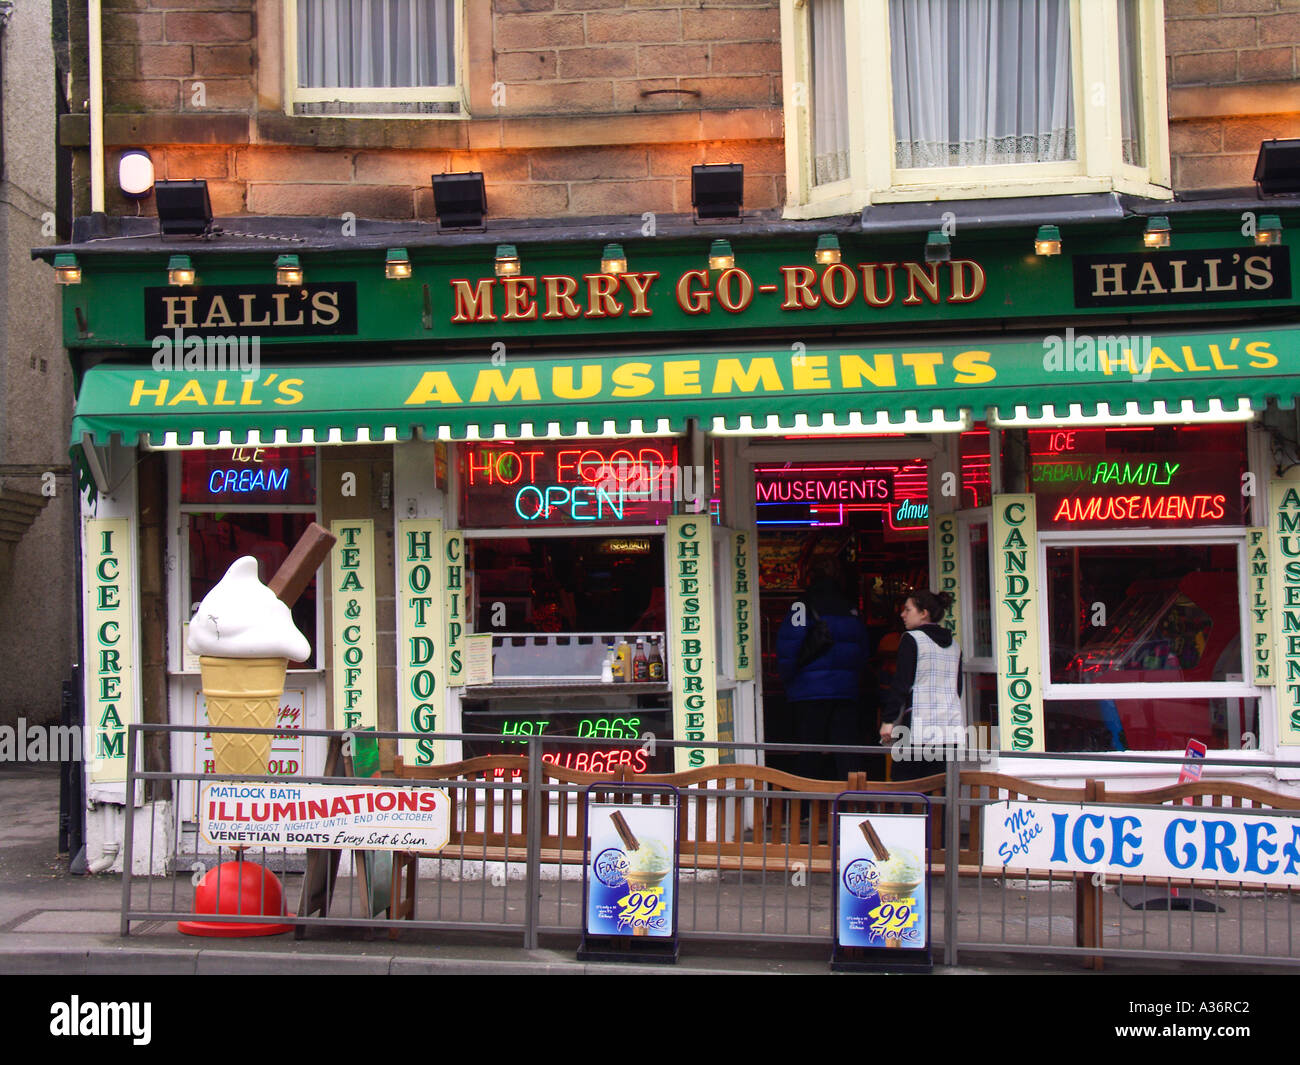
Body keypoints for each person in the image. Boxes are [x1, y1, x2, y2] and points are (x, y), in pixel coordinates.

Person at [776, 559, 872, 780]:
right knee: (847, 750)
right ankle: (853, 797)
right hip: (845, 690)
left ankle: (807, 797)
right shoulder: (850, 607)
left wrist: (787, 678)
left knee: (810, 750)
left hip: (809, 690)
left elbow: (789, 645)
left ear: (809, 577)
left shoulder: (802, 606)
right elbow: (863, 650)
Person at [879, 590, 964, 780]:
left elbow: (901, 683)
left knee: (905, 784)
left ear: (924, 613)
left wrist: (888, 720)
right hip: (949, 728)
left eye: (908, 609)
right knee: (940, 784)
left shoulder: (912, 639)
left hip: (917, 726)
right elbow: (957, 689)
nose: (903, 614)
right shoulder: (955, 646)